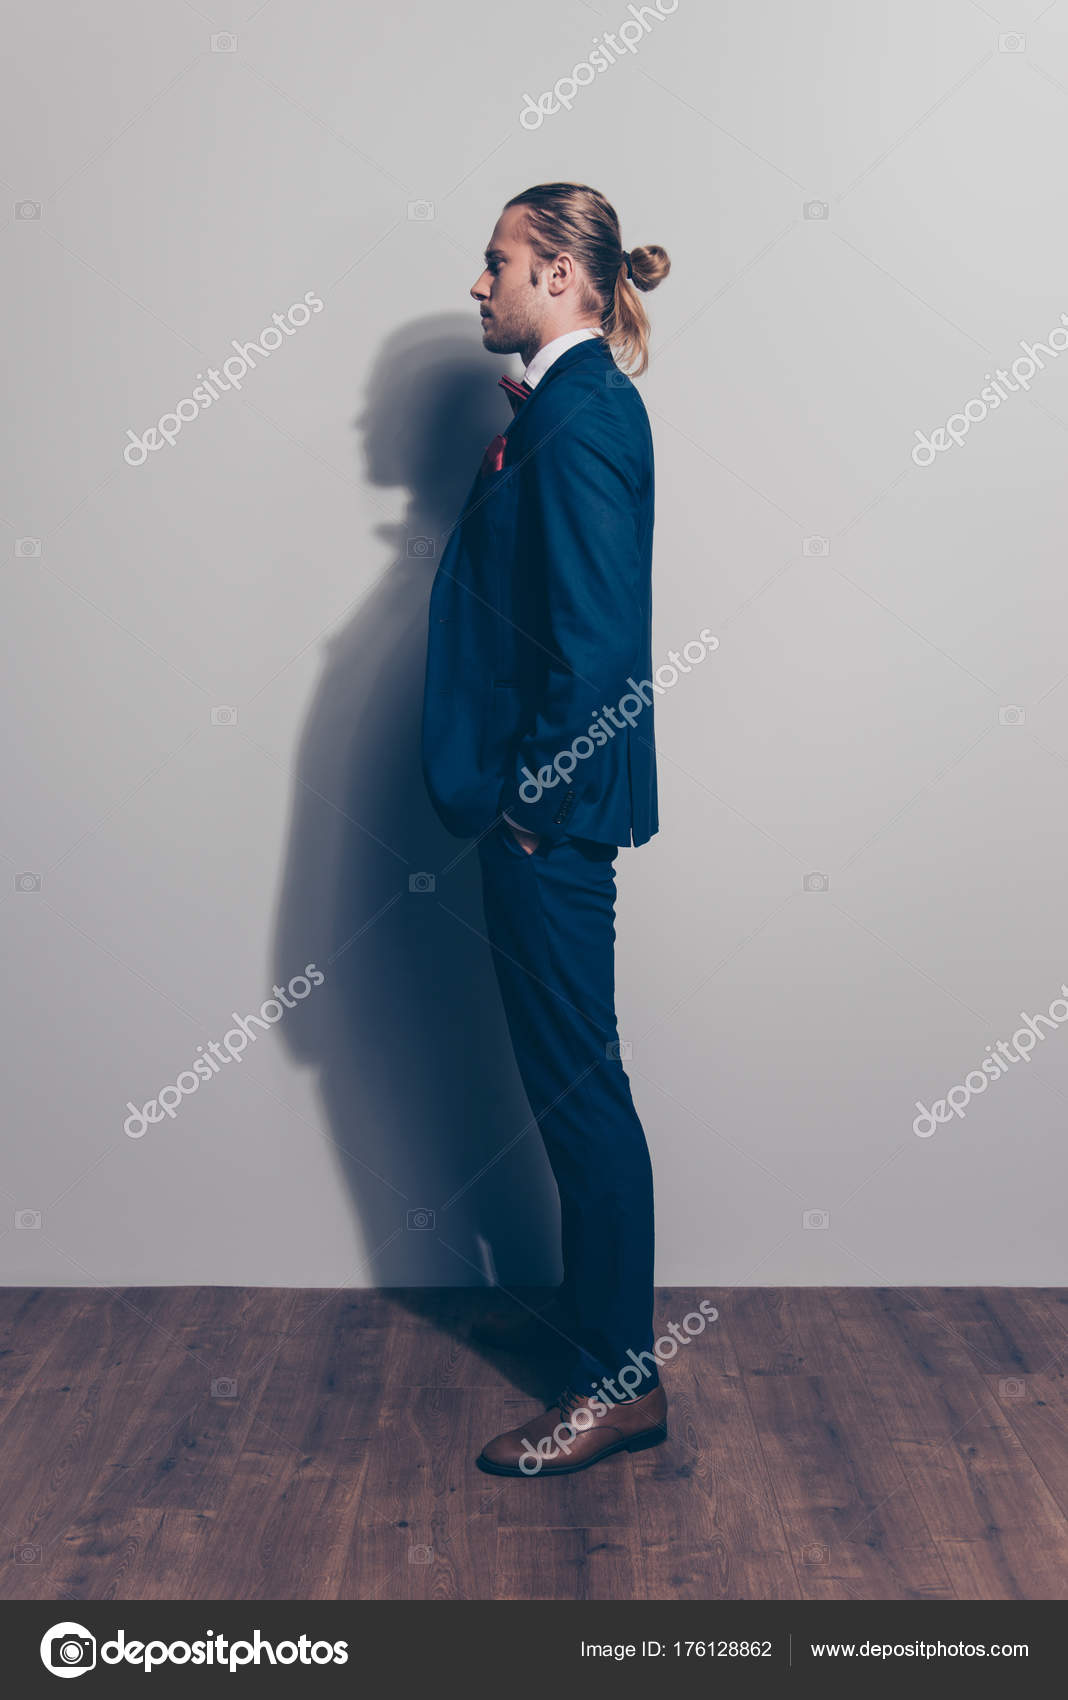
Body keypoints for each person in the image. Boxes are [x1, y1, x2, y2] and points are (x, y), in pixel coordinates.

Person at [422, 182, 670, 1475]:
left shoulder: (583, 418)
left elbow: (597, 644)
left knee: (583, 1093)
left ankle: (620, 1384)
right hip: (537, 808)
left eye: (498, 260)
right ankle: (596, 1335)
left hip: (550, 817)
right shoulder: (559, 408)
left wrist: (533, 807)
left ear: (562, 275)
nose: (480, 283)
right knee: (569, 1085)